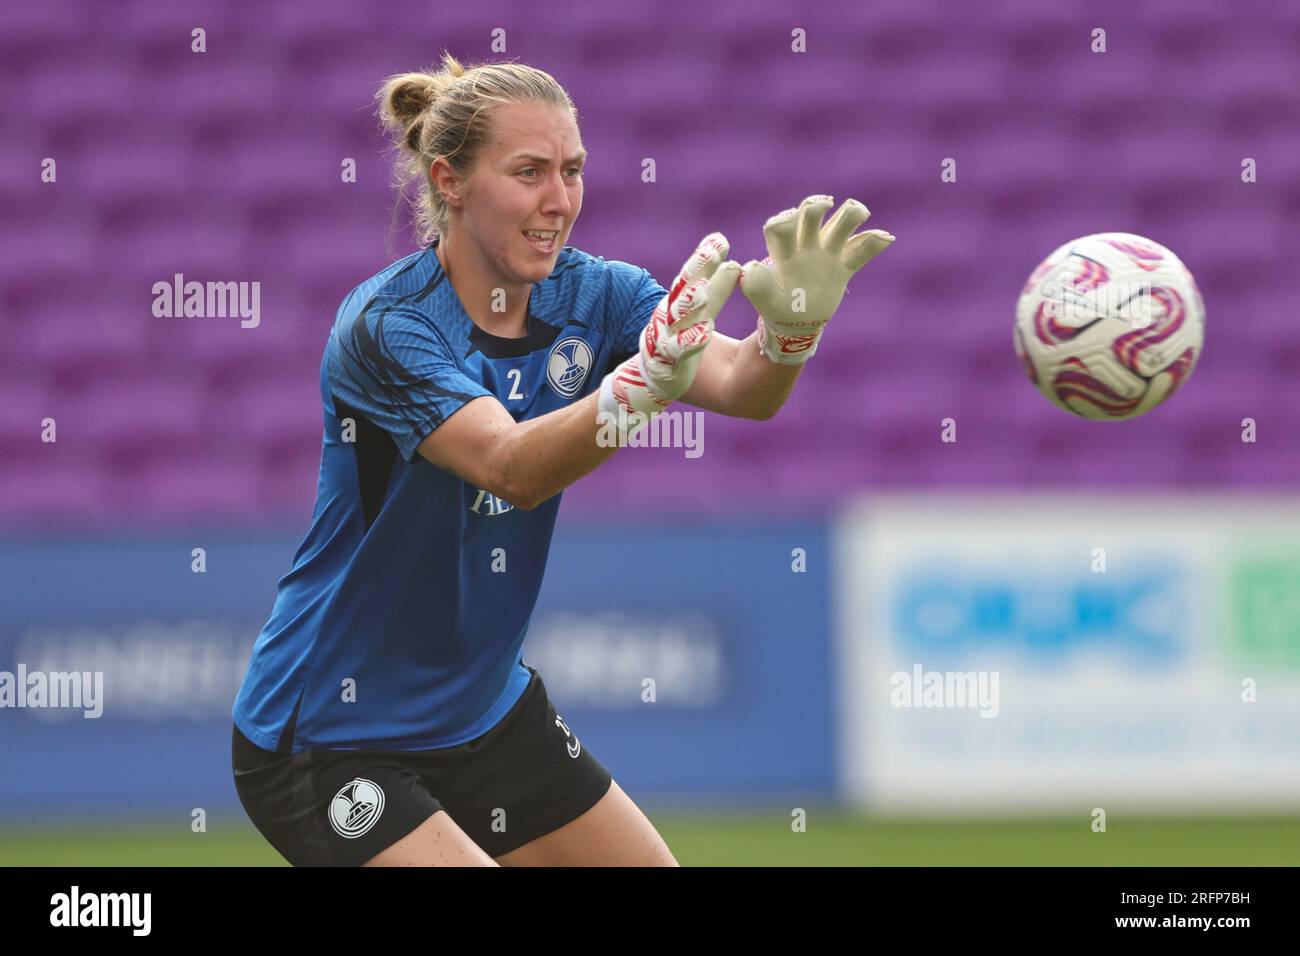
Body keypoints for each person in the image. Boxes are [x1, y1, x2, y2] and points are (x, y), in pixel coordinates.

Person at [231, 51, 894, 867]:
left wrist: (792, 330)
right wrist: (644, 385)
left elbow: (745, 388)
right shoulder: (386, 328)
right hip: (329, 734)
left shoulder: (596, 293)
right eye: (529, 172)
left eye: (573, 170)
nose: (560, 200)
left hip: (483, 713)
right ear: (450, 181)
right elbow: (511, 466)